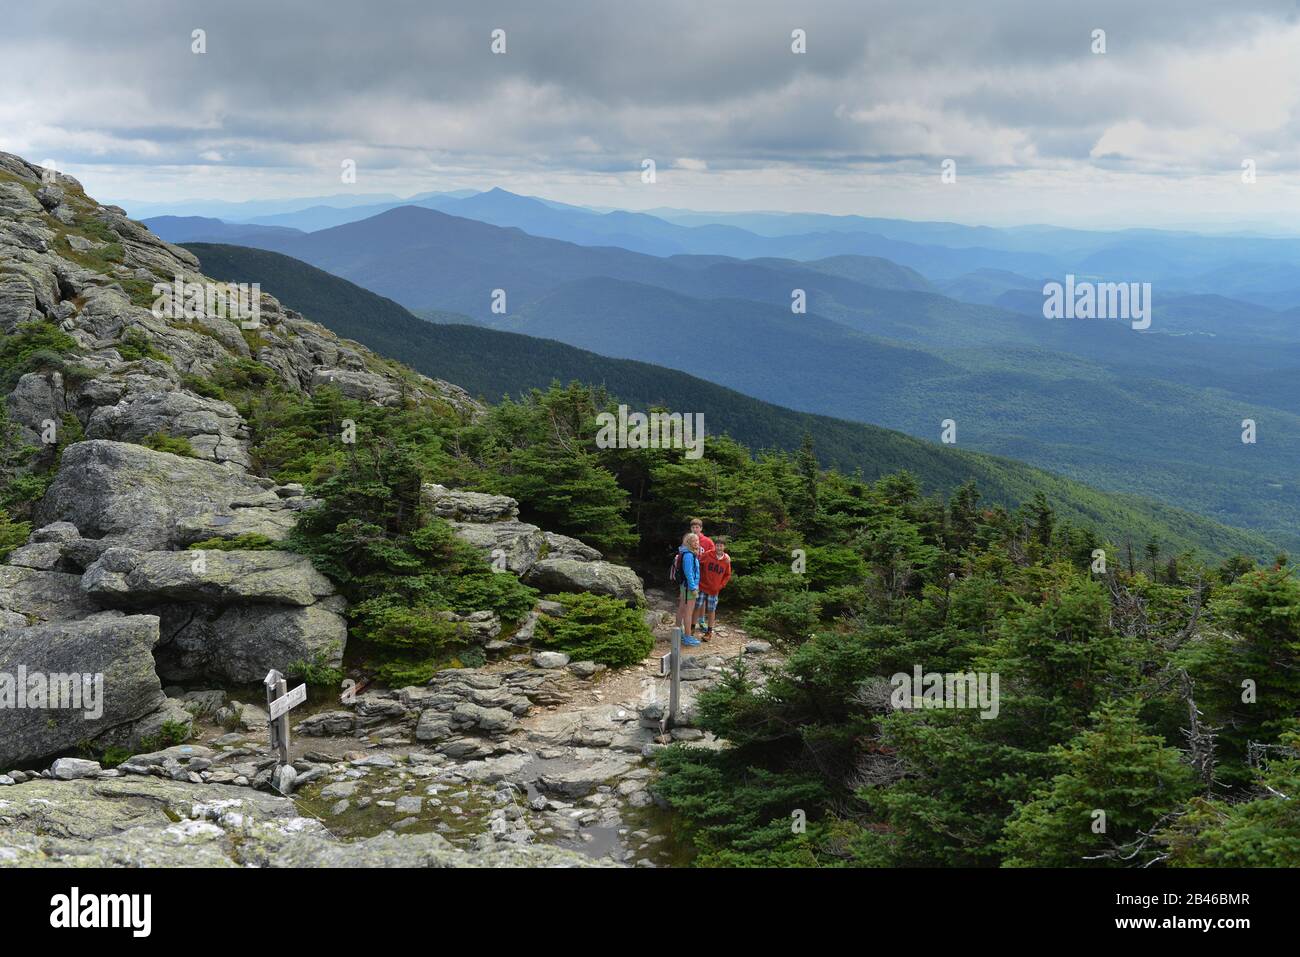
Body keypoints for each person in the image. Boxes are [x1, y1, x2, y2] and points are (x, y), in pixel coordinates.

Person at [695, 535, 732, 641]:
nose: (719, 548)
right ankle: (692, 628)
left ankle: (709, 632)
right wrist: (698, 579)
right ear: (714, 546)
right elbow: (698, 564)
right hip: (702, 586)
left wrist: (721, 585)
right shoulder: (707, 555)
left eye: (721, 546)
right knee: (697, 607)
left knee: (711, 610)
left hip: (714, 590)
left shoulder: (726, 560)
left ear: (724, 547)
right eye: (717, 546)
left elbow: (727, 575)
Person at [676, 532, 703, 646]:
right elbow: (689, 573)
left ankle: (677, 633)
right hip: (689, 587)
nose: (697, 543)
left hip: (685, 586)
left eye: (697, 541)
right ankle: (687, 637)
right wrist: (693, 588)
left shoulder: (687, 553)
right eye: (694, 541)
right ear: (689, 543)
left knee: (682, 609)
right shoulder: (688, 555)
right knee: (689, 612)